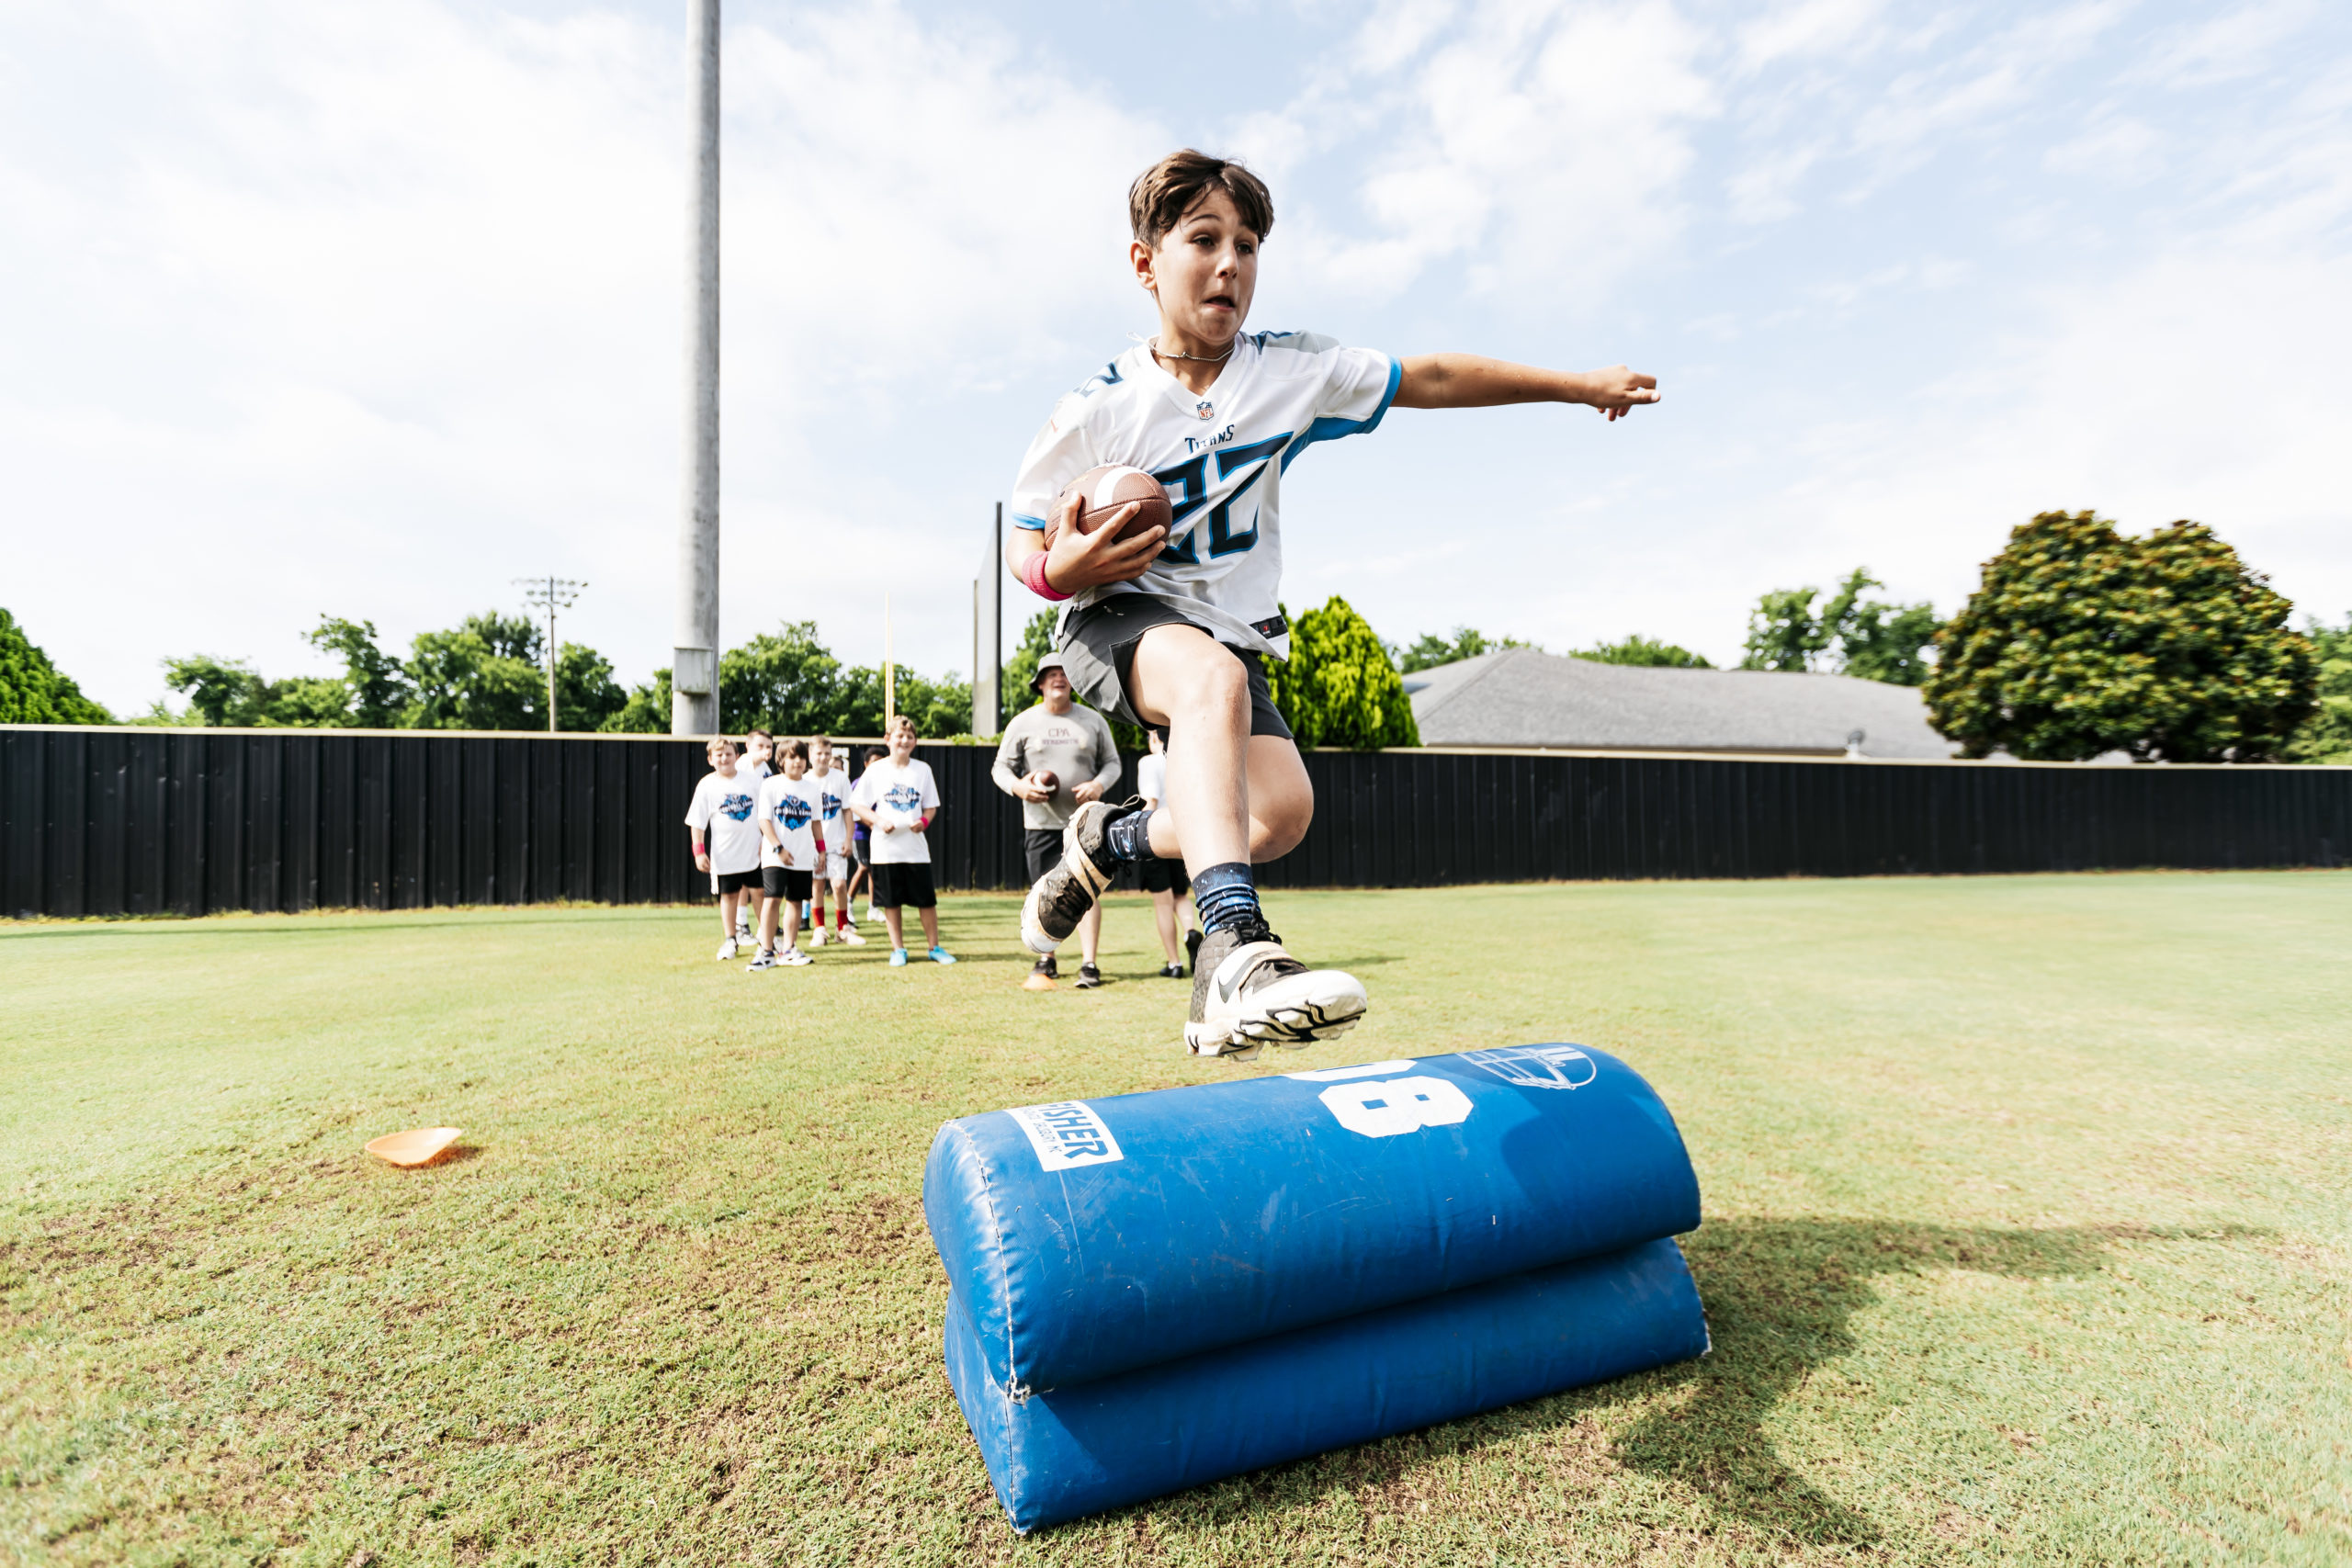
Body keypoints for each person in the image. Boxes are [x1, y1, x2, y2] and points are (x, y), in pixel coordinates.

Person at [1005, 148, 1658, 1060]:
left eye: (1247, 243)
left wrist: (1574, 385)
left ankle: (1115, 839)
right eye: (1203, 238)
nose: (1230, 261)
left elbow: (1428, 377)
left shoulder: (1289, 371)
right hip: (1116, 621)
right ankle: (1230, 948)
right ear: (1145, 262)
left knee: (1277, 814)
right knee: (1207, 680)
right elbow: (1024, 548)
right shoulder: (1098, 409)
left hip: (1226, 637)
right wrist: (1063, 565)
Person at [990, 652, 1122, 988]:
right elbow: (1000, 768)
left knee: (1087, 893)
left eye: (1064, 672)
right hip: (1039, 823)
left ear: (1073, 680)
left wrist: (1098, 784)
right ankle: (1046, 959)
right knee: (1043, 894)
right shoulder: (1023, 722)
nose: (1058, 678)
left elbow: (1113, 764)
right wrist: (1020, 787)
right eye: (1050, 674)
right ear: (1040, 683)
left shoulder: (1093, 720)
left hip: (1084, 825)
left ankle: (1089, 964)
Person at [849, 716, 956, 966]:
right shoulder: (876, 769)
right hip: (885, 849)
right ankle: (899, 950)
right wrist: (878, 820)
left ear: (915, 741)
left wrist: (924, 823)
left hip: (916, 849)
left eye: (909, 737)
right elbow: (856, 803)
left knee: (926, 901)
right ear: (887, 739)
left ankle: (934, 947)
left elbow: (931, 807)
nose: (904, 740)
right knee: (891, 902)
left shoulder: (923, 769)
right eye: (899, 736)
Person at [684, 737, 762, 962]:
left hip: (755, 851)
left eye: (728, 753)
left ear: (737, 756)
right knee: (729, 896)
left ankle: (768, 936)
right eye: (718, 754)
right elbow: (697, 823)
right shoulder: (706, 785)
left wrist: (767, 842)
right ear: (710, 759)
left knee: (759, 893)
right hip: (725, 854)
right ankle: (730, 939)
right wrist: (698, 852)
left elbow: (766, 815)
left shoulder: (753, 781)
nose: (724, 758)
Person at [750, 739, 820, 970]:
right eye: (792, 757)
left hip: (802, 855)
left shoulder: (812, 788)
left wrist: (821, 850)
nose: (798, 761)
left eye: (801, 756)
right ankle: (766, 951)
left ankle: (788, 949)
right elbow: (764, 820)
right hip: (775, 856)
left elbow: (816, 822)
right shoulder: (771, 785)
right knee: (772, 899)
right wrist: (778, 848)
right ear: (781, 760)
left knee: (796, 900)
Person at [1134, 728, 1194, 979]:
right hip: (1183, 836)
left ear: (1154, 737)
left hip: (1157, 836)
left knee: (1162, 902)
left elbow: (1151, 802)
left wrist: (1136, 835)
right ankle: (1191, 931)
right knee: (1180, 895)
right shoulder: (1185, 759)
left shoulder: (1149, 763)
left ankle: (1174, 963)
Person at [806, 737, 864, 946]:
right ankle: (820, 929)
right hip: (814, 844)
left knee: (839, 884)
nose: (823, 757)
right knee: (817, 885)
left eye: (827, 753)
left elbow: (847, 811)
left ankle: (843, 929)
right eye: (819, 753)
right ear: (810, 754)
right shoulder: (805, 779)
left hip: (837, 841)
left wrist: (849, 839)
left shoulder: (840, 778)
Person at [734, 729, 775, 943]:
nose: (766, 751)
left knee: (754, 881)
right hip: (746, 830)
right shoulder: (743, 765)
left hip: (760, 830)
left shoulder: (765, 768)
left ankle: (762, 926)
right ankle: (741, 925)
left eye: (769, 746)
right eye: (761, 746)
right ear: (747, 746)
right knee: (743, 879)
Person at [846, 746, 883, 922]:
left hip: (877, 833)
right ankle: (848, 903)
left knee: (874, 871)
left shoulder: (885, 783)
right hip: (861, 834)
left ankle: (873, 908)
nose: (877, 766)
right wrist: (872, 823)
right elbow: (855, 812)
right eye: (874, 762)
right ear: (866, 763)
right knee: (863, 867)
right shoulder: (858, 783)